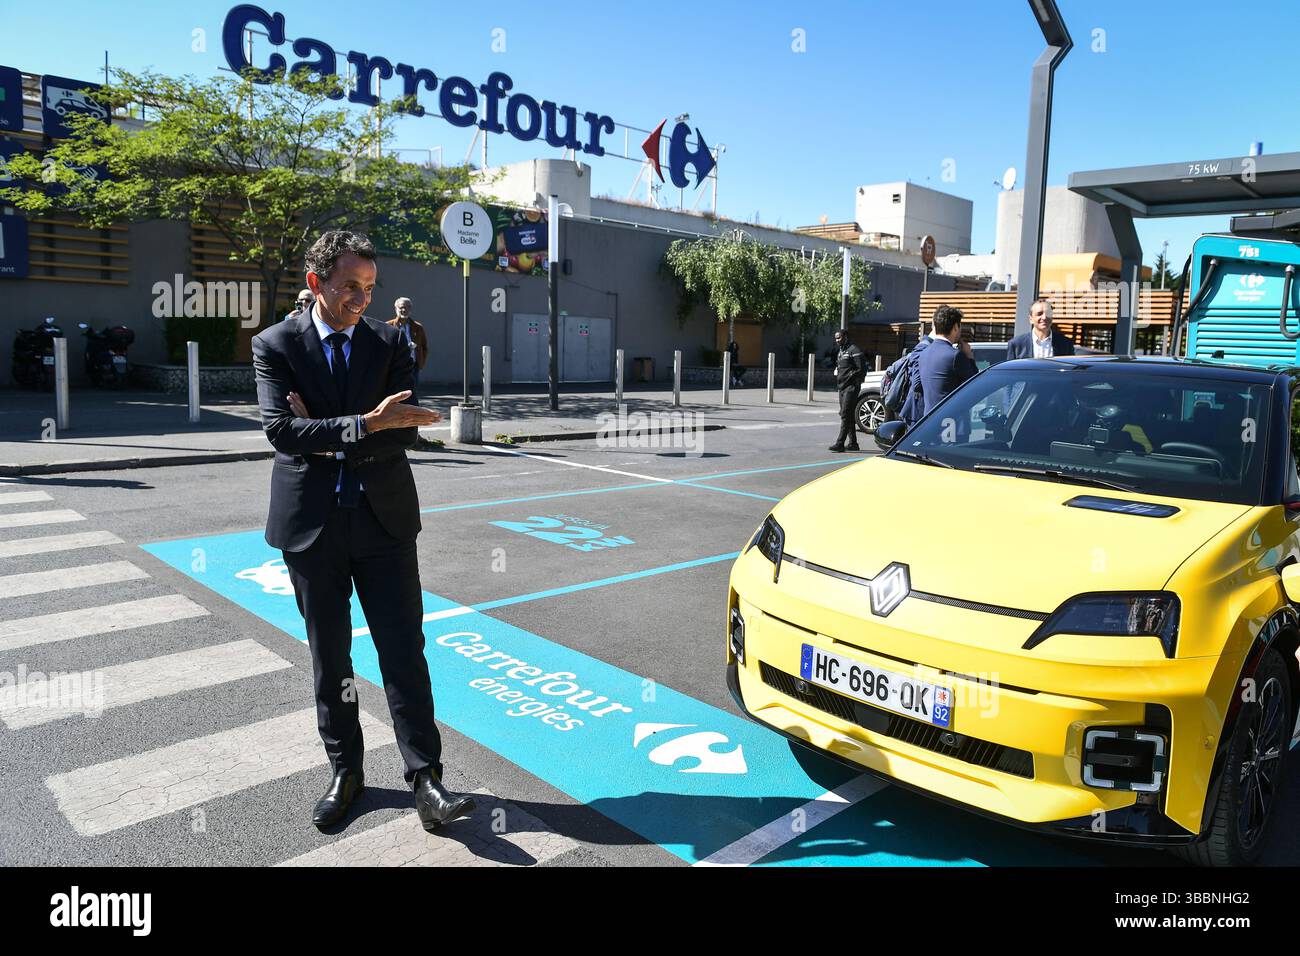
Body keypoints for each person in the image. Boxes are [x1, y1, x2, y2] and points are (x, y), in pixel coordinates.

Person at [251, 230, 475, 834]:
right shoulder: (275, 344)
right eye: (350, 286)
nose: (361, 299)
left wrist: (328, 429)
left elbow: (403, 430)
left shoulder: (390, 341)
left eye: (370, 288)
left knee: (404, 653)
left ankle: (426, 778)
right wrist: (363, 424)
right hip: (313, 530)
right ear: (316, 283)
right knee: (333, 660)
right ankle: (346, 771)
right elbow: (280, 432)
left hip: (385, 522)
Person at [917, 305, 979, 416]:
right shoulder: (955, 356)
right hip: (952, 424)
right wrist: (969, 356)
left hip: (928, 422)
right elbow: (975, 383)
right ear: (955, 327)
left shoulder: (923, 354)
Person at [828, 328, 865, 452]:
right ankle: (853, 443)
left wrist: (851, 379)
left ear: (846, 337)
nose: (837, 340)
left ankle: (840, 444)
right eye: (836, 338)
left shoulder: (854, 350)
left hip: (851, 387)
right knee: (847, 415)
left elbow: (861, 369)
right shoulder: (840, 351)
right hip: (842, 387)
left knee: (845, 414)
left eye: (839, 338)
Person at [1006, 297, 1075, 359]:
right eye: (1039, 314)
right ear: (1031, 319)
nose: (1044, 317)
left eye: (1048, 313)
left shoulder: (1066, 344)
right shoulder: (1016, 344)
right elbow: (1010, 372)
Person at [387, 296, 428, 393]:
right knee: (396, 392)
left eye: (408, 307)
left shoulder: (417, 327)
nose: (404, 310)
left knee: (412, 393)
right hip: (395, 365)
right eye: (401, 307)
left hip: (413, 366)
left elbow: (424, 347)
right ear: (396, 308)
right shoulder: (388, 326)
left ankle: (411, 408)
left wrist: (421, 363)